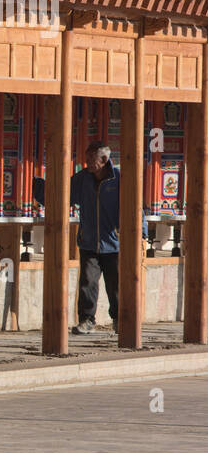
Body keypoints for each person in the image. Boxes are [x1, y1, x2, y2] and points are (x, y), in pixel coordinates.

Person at [69, 141, 144, 334]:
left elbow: (135, 206)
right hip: (88, 242)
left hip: (114, 244)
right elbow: (63, 191)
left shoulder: (118, 179)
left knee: (116, 285)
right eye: (86, 159)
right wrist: (37, 186)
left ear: (104, 159)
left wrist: (141, 233)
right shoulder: (83, 179)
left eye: (90, 159)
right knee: (87, 283)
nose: (87, 163)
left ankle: (119, 320)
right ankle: (87, 320)